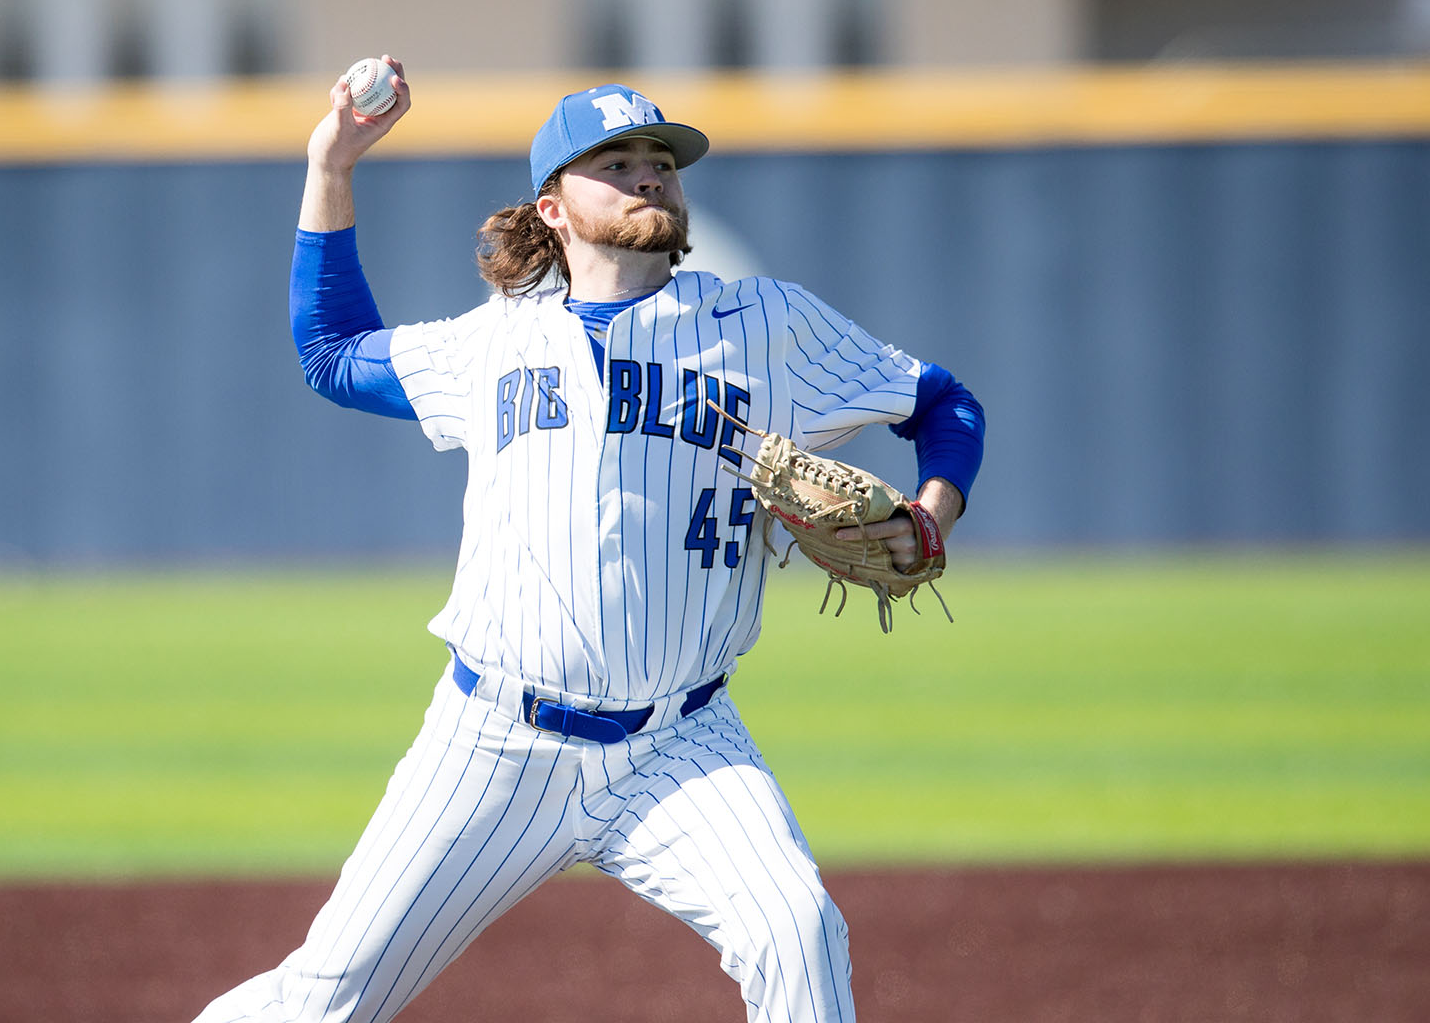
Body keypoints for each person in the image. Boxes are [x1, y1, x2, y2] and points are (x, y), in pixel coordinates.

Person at [191, 57, 985, 1023]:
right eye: (615, 162)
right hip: (492, 746)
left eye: (661, 158)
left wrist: (928, 521)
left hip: (683, 743)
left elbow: (940, 399)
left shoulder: (764, 324)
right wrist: (332, 166)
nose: (648, 174)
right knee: (325, 997)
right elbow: (330, 354)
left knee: (799, 934)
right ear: (554, 209)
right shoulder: (494, 343)